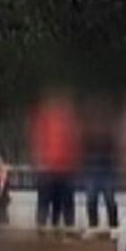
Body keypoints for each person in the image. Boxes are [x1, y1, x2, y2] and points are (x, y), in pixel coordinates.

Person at [29, 89, 79, 232]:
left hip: (65, 168)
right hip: (48, 168)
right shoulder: (43, 116)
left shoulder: (69, 117)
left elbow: (74, 140)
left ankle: (66, 230)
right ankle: (42, 231)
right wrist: (39, 162)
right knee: (46, 201)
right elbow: (38, 140)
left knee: (64, 201)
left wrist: (73, 162)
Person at [80, 97, 120, 233]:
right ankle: (93, 228)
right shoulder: (88, 131)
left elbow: (114, 149)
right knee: (91, 200)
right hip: (92, 170)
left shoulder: (108, 131)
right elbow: (83, 150)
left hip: (105, 170)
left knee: (110, 200)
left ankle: (114, 228)